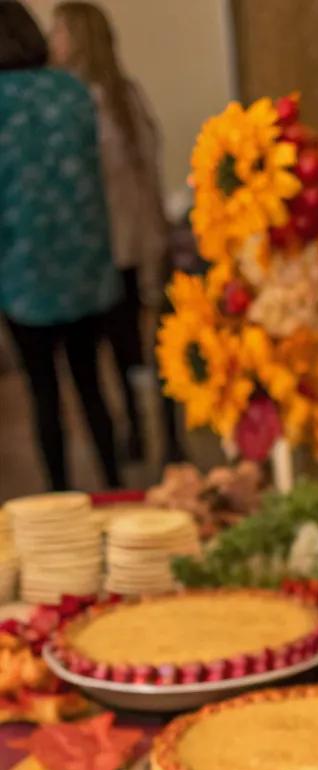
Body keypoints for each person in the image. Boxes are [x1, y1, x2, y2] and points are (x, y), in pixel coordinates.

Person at [0, 1, 121, 490]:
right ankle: (116, 490)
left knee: (43, 392)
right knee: (92, 386)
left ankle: (60, 501)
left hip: (23, 275)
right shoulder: (71, 91)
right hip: (87, 267)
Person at [50, 2, 168, 464]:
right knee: (100, 357)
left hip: (119, 248)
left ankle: (145, 434)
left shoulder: (115, 99)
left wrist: (155, 241)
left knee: (131, 351)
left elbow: (144, 178)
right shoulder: (69, 102)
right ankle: (124, 436)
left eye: (60, 32)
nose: (52, 42)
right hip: (103, 249)